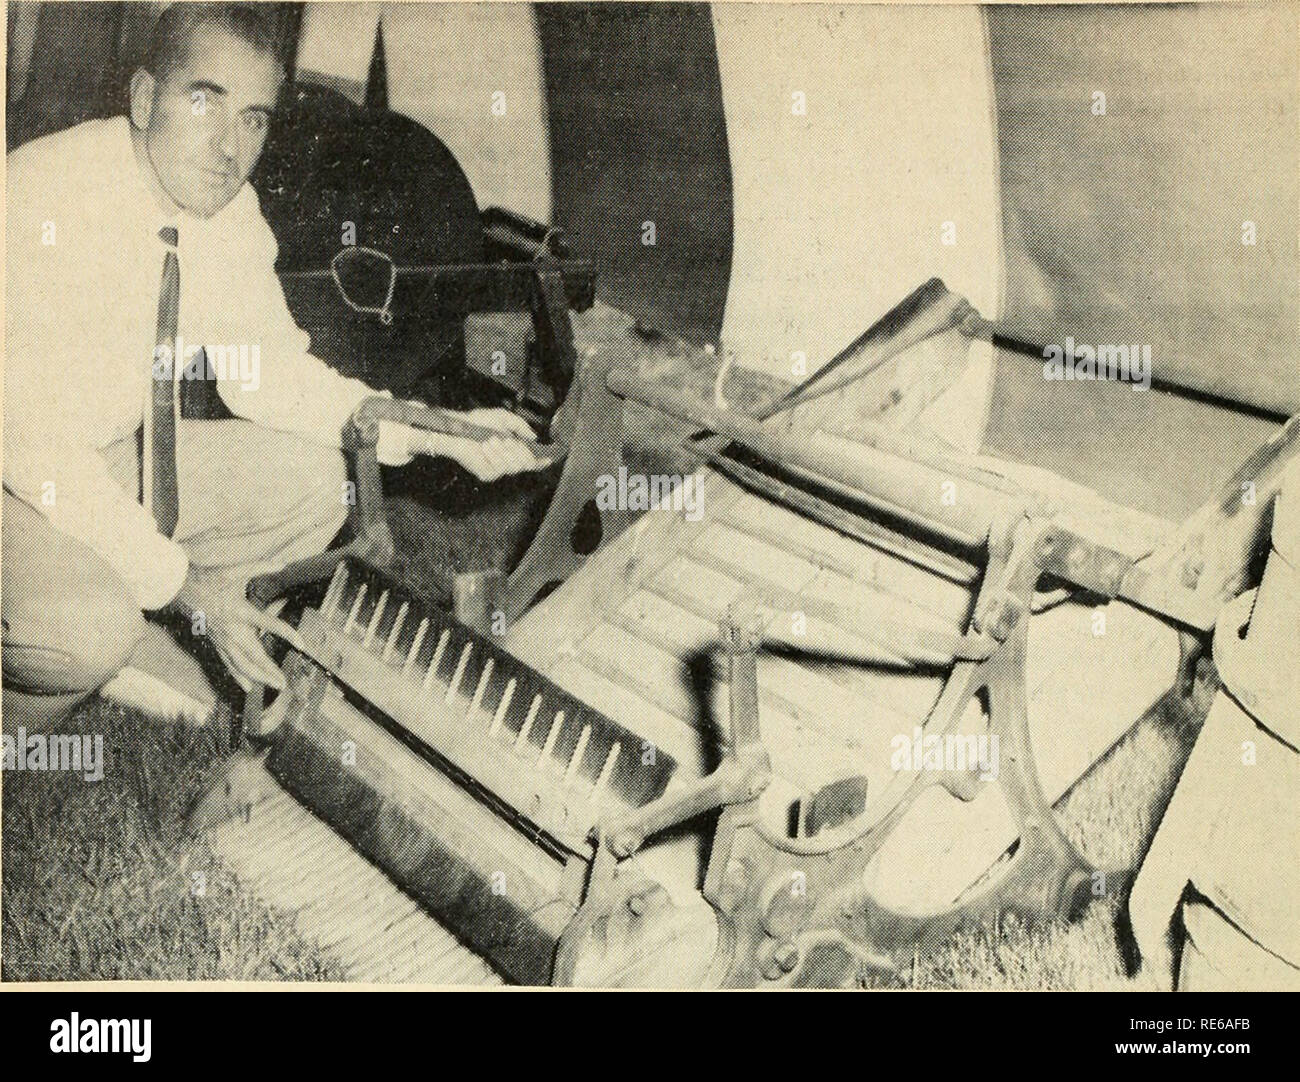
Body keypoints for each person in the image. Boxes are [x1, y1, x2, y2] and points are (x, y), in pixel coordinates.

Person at [2, 3, 543, 729]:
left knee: (317, 481)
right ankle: (39, 700)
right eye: (206, 101)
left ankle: (169, 645)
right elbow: (28, 442)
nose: (231, 145)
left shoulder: (226, 214)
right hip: (16, 465)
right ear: (142, 98)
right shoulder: (44, 195)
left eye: (255, 118)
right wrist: (185, 585)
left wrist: (436, 430)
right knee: (86, 628)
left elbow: (273, 377)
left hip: (101, 456)